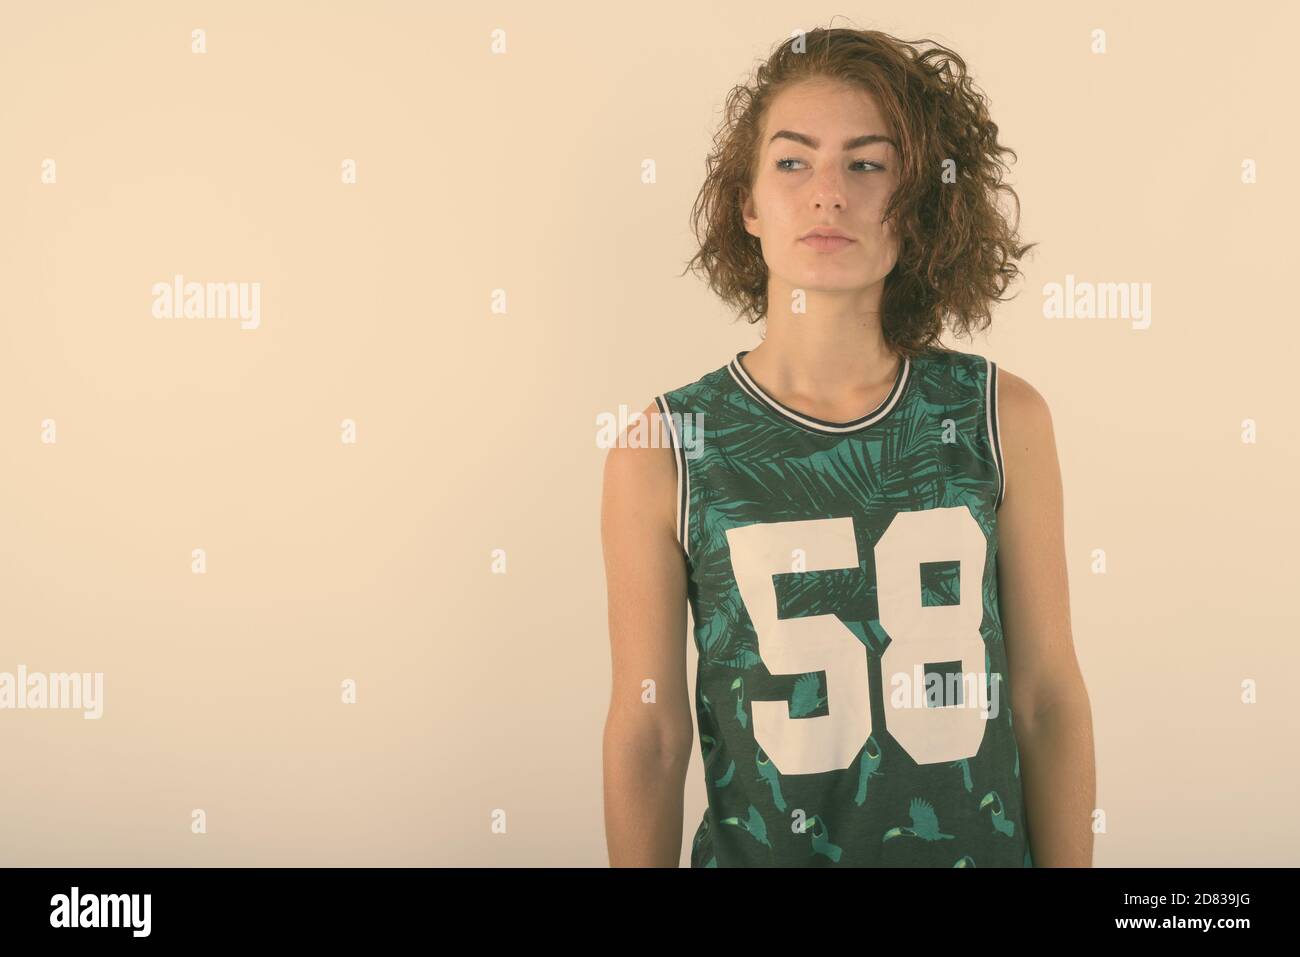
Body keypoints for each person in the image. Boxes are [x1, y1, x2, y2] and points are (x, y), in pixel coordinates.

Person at [601, 27, 1095, 867]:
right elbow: (649, 729)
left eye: (867, 164)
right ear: (747, 203)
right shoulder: (662, 446)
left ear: (921, 203)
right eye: (793, 162)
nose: (827, 192)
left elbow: (1047, 700)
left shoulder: (1001, 416)